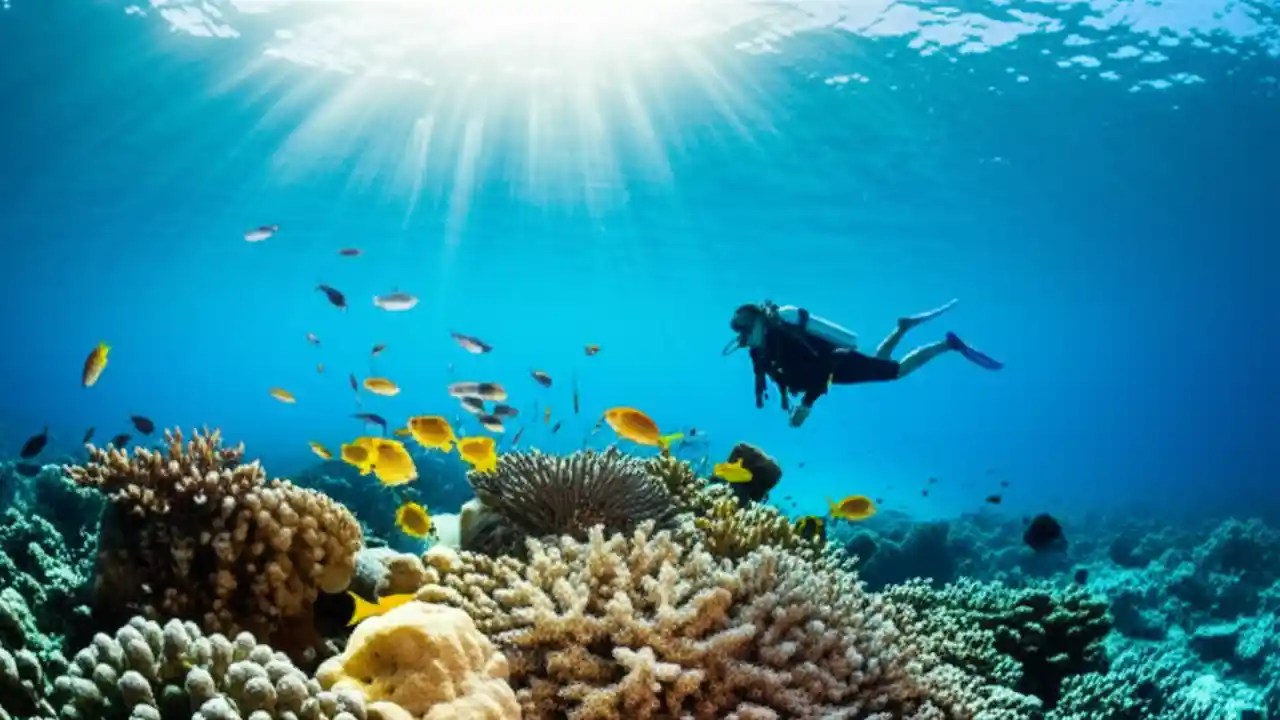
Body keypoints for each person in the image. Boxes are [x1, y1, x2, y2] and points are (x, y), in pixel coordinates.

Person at [725, 299, 1002, 427]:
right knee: (879, 363)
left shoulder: (784, 340)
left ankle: (947, 344)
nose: (742, 337)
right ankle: (902, 328)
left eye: (745, 329)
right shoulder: (759, 350)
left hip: (840, 364)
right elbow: (770, 375)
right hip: (835, 369)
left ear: (760, 323)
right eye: (740, 332)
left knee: (896, 371)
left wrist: (806, 407)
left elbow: (822, 367)